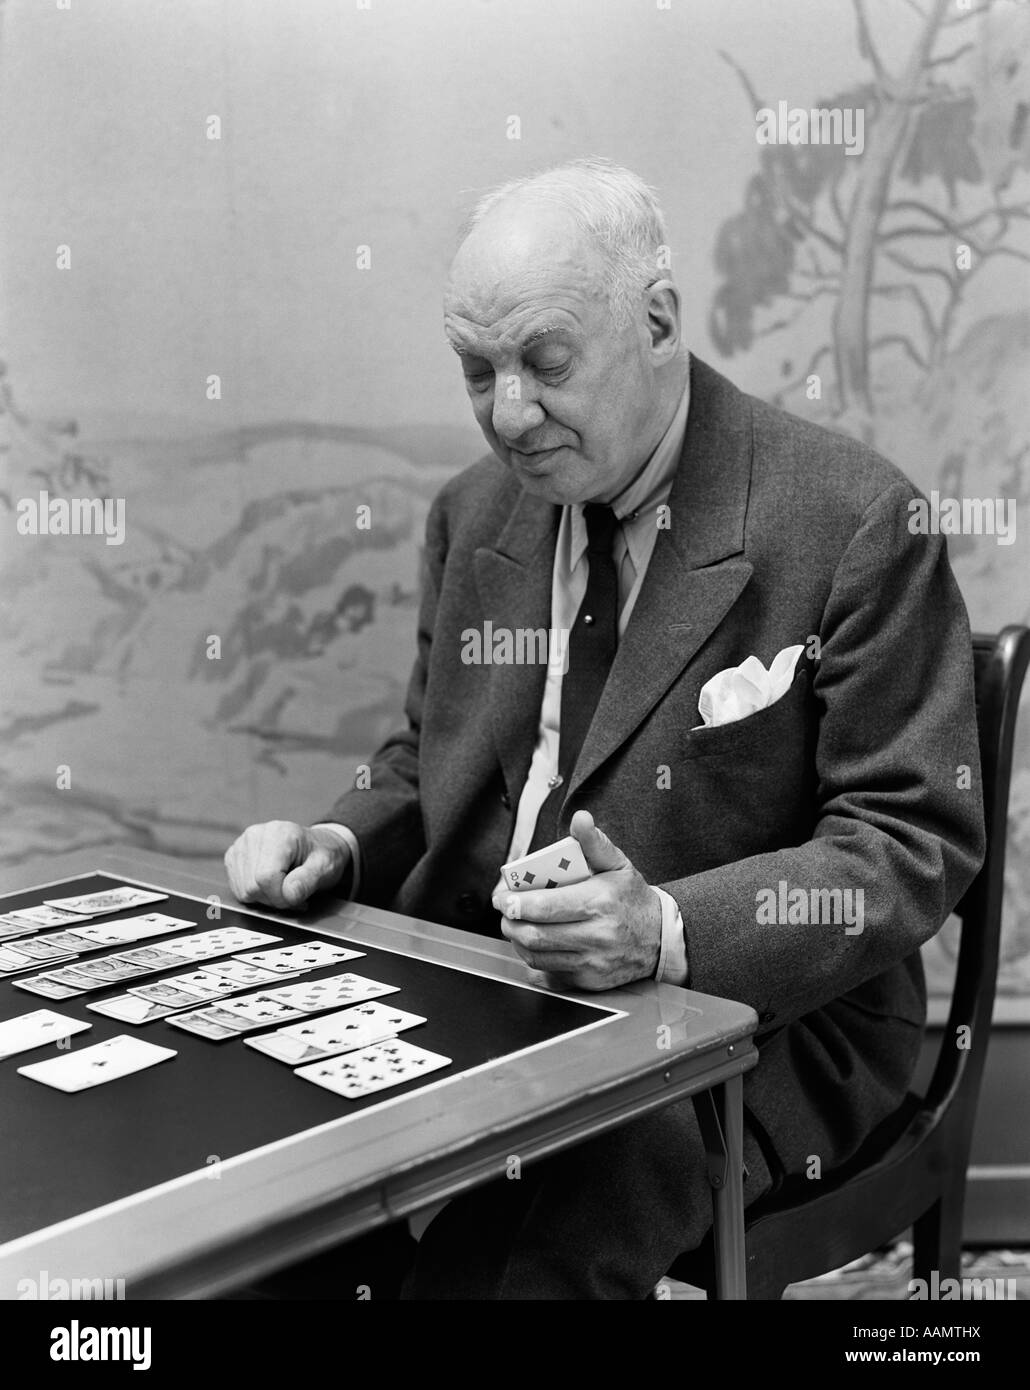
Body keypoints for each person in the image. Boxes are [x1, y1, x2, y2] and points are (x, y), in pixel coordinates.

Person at [224, 157, 985, 1299]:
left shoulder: (852, 519)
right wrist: (335, 845)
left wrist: (669, 928)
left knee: (536, 1241)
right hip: (486, 979)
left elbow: (909, 840)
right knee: (266, 1192)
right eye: (476, 370)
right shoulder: (471, 515)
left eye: (543, 362)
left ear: (660, 322)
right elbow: (422, 755)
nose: (508, 413)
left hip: (752, 1017)